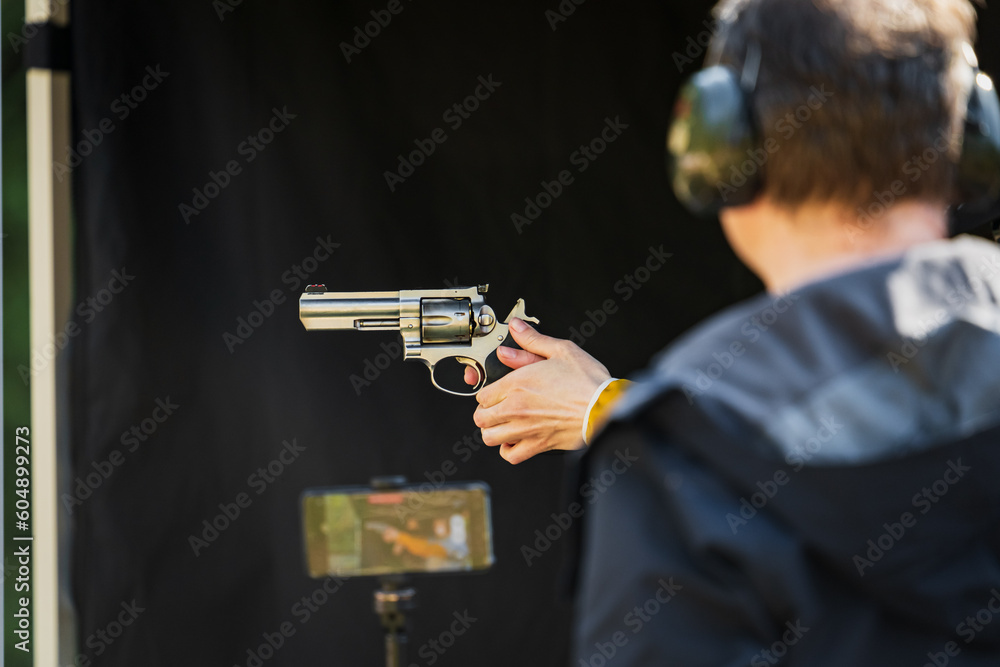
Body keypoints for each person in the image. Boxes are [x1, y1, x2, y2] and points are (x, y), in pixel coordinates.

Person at [470, 0, 1000, 663]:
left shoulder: (674, 459)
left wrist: (626, 419)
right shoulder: (678, 446)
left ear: (720, 146)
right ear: (973, 133)